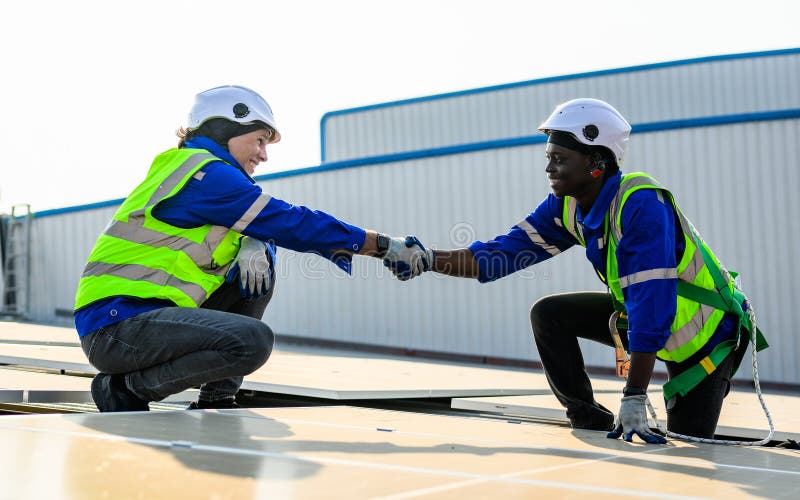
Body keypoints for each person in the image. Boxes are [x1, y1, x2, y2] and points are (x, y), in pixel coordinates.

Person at [389, 98, 766, 443]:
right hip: (646, 322)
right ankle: (588, 418)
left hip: (704, 342)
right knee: (549, 315)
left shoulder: (640, 204)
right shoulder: (565, 206)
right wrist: (427, 258)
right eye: (548, 156)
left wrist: (634, 396)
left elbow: (653, 306)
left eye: (558, 158)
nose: (549, 167)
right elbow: (497, 255)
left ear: (596, 163)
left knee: (689, 451)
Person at [74, 85, 430, 412]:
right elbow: (294, 222)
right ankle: (127, 390)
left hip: (144, 322)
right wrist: (383, 246)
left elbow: (270, 229)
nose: (263, 155)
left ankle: (217, 399)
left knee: (261, 266)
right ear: (225, 130)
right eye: (259, 141)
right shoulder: (204, 174)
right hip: (116, 329)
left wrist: (255, 242)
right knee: (251, 341)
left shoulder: (202, 176)